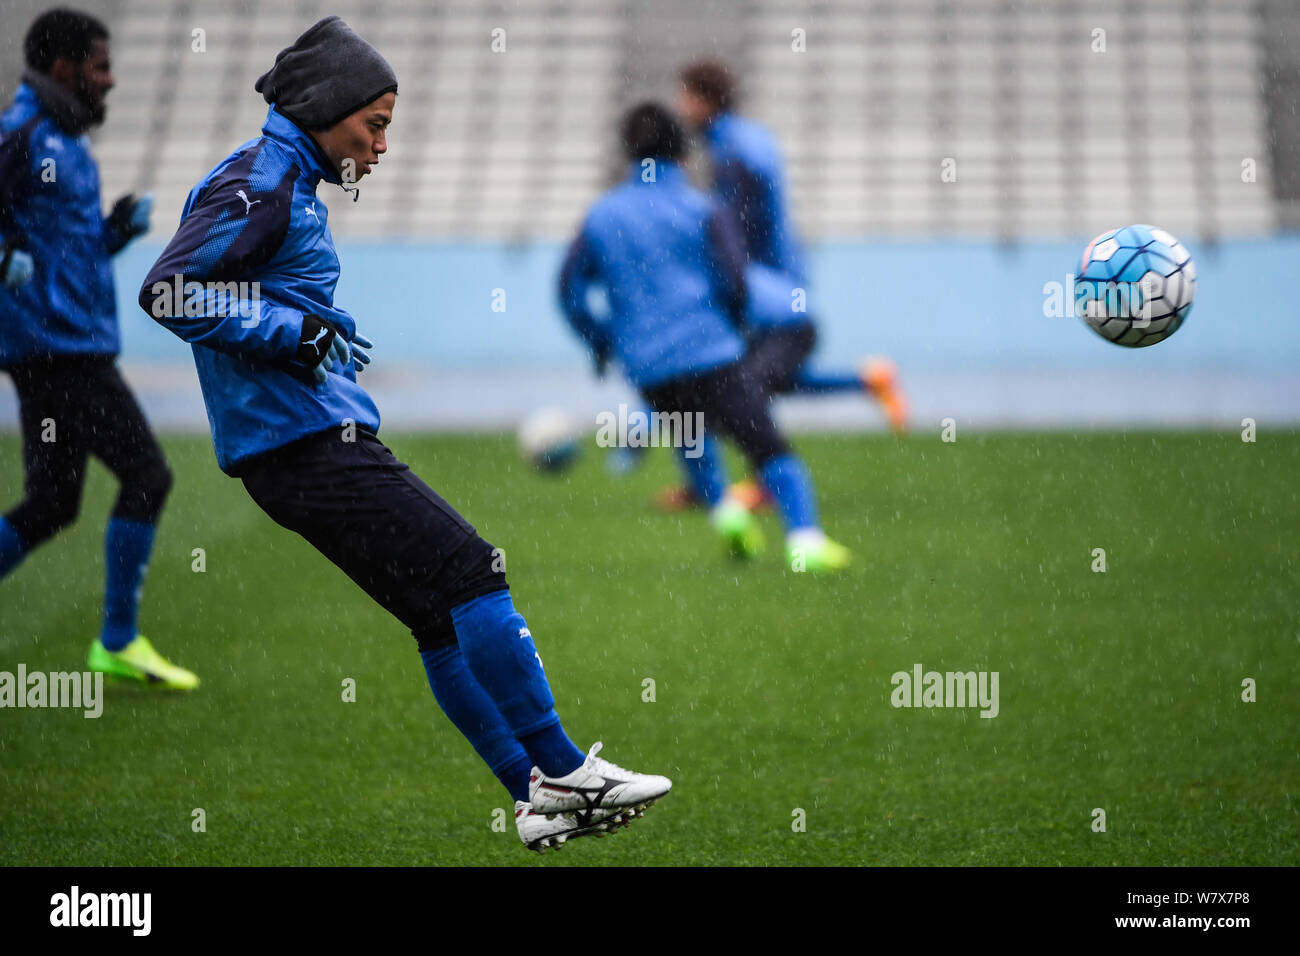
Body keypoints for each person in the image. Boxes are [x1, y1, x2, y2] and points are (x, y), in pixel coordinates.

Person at [140, 16, 669, 853]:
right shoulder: (261, 181)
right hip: (304, 444)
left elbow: (244, 293)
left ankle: (530, 796)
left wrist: (317, 328)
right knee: (473, 571)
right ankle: (565, 769)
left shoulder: (287, 180)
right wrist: (296, 334)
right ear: (324, 107)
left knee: (436, 617)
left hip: (294, 445)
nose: (382, 146)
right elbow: (168, 292)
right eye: (375, 124)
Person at [559, 101, 851, 572]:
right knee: (766, 444)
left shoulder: (600, 216)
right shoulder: (701, 208)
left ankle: (728, 513)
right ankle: (805, 542)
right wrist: (735, 327)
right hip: (710, 351)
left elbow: (570, 292)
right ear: (682, 153)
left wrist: (601, 340)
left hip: (648, 366)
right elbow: (736, 280)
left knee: (688, 433)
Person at [0, 8, 197, 690]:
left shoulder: (67, 143)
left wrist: (113, 234)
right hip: (55, 351)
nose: (110, 82)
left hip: (68, 346)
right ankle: (117, 638)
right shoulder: (20, 135)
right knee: (148, 476)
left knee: (53, 503)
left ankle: (116, 641)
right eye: (100, 66)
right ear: (63, 68)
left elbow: (65, 255)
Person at [658, 59, 911, 512]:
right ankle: (868, 381)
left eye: (685, 96)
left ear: (704, 99)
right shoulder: (740, 139)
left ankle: (749, 482)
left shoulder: (732, 148)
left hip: (765, 290)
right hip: (773, 285)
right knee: (766, 381)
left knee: (735, 386)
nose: (680, 106)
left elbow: (743, 215)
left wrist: (728, 266)